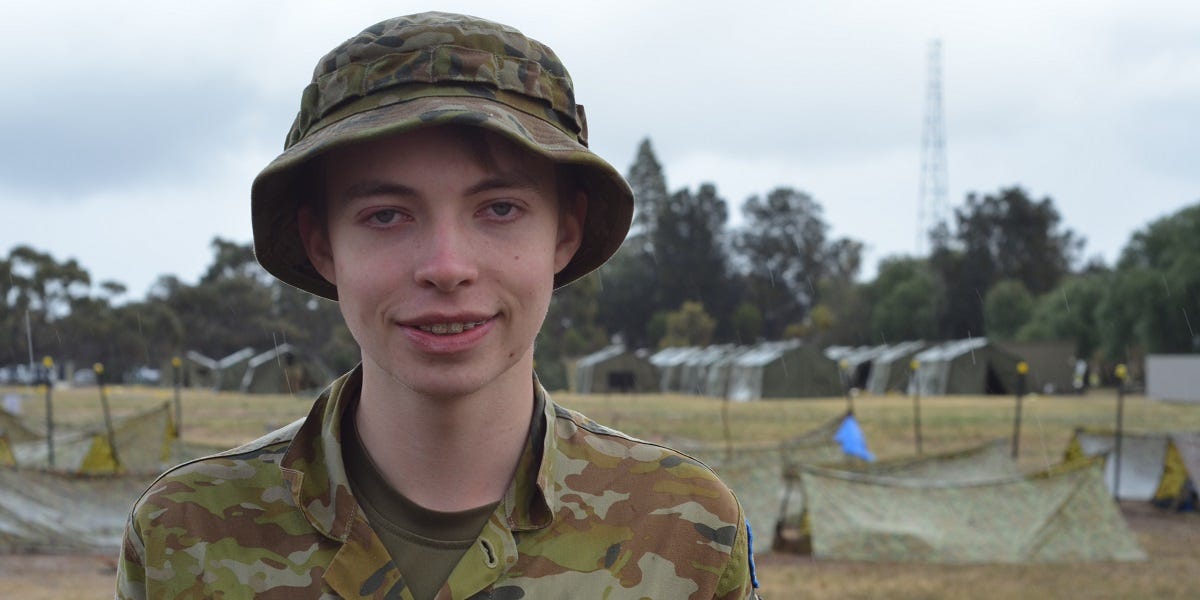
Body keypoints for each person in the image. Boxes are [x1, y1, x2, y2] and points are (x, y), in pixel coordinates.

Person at [116, 12, 760, 600]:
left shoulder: (684, 529)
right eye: (386, 215)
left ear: (564, 233)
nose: (447, 267)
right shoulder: (186, 534)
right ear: (323, 244)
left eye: (499, 209)